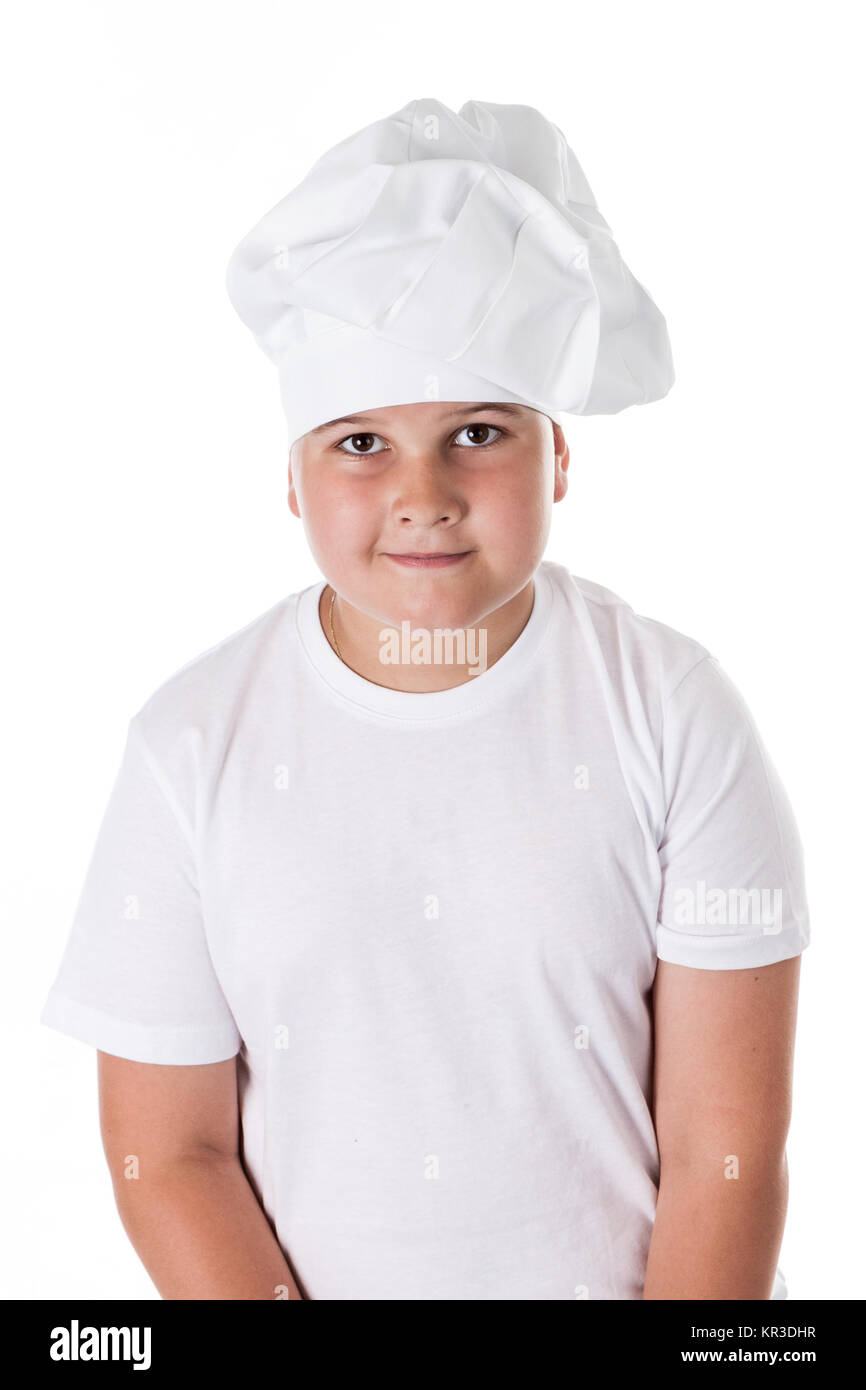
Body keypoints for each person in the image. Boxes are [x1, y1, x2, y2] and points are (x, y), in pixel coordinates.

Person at [40, 97, 809, 1301]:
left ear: (558, 456)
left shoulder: (670, 709)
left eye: (478, 432)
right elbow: (169, 1153)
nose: (424, 493)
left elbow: (728, 1150)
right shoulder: (191, 743)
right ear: (290, 479)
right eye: (358, 444)